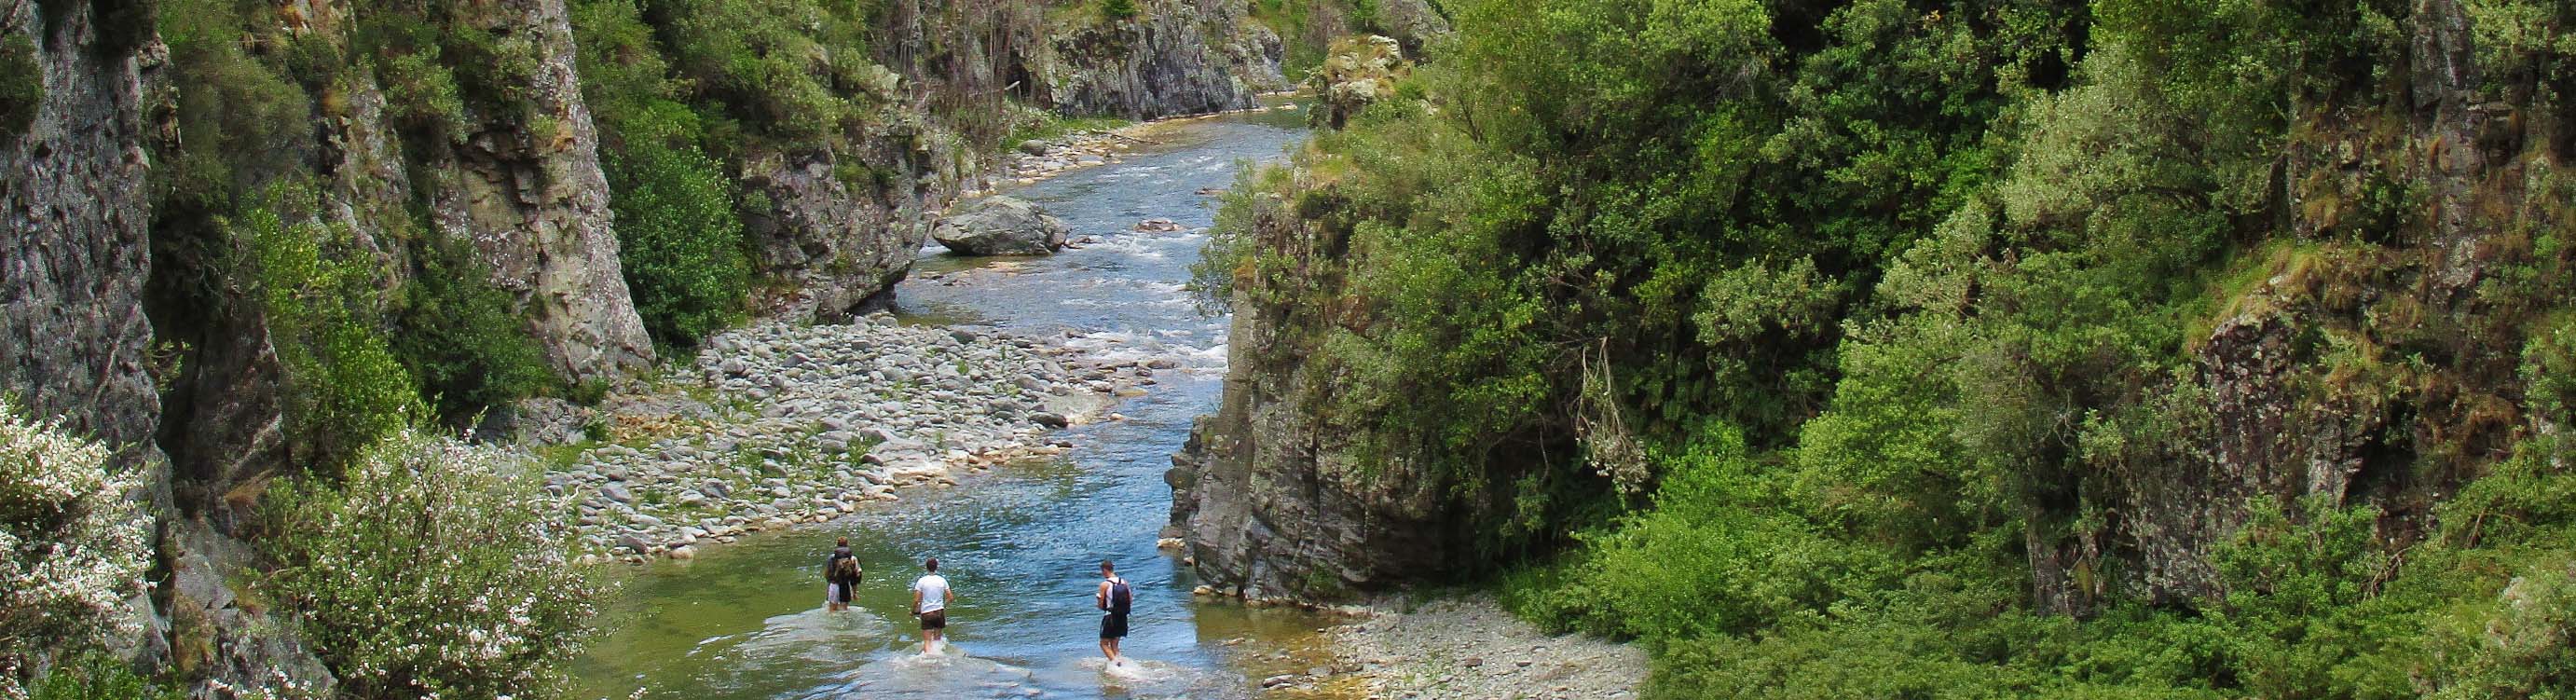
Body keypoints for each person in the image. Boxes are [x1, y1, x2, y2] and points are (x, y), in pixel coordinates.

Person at [911, 556, 954, 652]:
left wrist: (913, 611)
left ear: (926, 567)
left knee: (927, 641)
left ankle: (927, 658)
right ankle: (938, 657)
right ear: (936, 567)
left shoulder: (921, 581)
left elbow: (916, 600)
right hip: (939, 612)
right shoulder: (942, 580)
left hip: (926, 613)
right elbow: (951, 598)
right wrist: (943, 606)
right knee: (937, 640)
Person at [1094, 559, 1132, 666]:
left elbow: (1101, 606)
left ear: (1104, 570)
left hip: (1110, 617)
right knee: (1114, 644)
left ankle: (1117, 665)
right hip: (1123, 616)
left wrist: (1098, 600)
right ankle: (1121, 663)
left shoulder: (1105, 585)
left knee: (1103, 644)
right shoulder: (1124, 582)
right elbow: (1130, 600)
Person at [823, 538, 861, 611]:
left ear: (837, 544)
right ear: (847, 544)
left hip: (834, 585)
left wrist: (828, 587)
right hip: (845, 586)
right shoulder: (853, 558)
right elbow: (856, 576)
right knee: (844, 610)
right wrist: (854, 593)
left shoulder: (832, 557)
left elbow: (827, 573)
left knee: (832, 610)